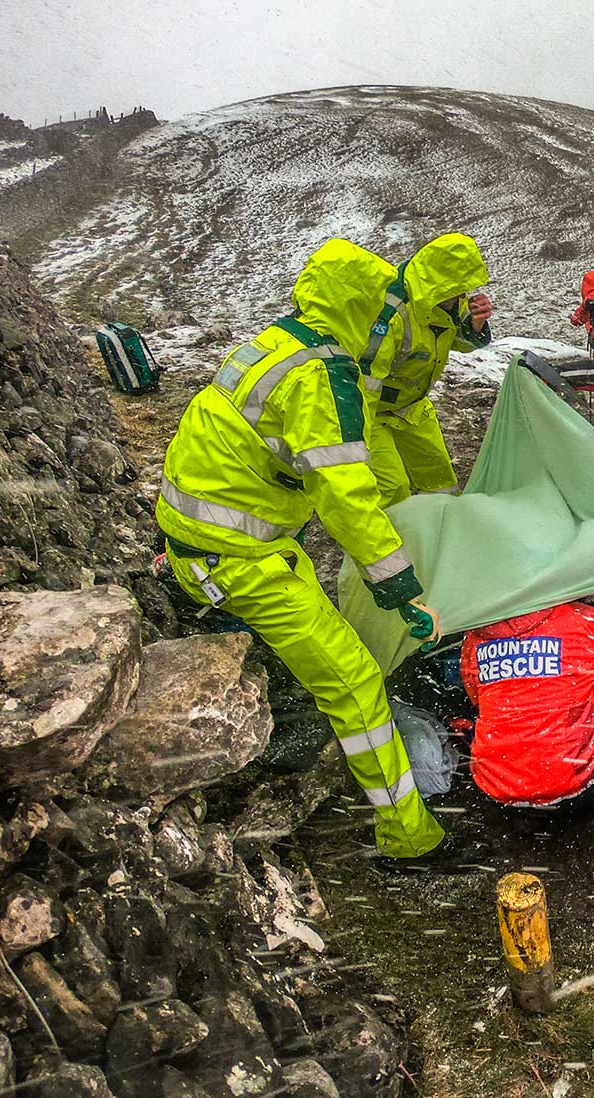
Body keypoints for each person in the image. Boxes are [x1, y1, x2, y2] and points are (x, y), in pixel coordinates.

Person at [156, 242, 447, 860]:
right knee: (356, 683)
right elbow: (347, 499)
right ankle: (409, 837)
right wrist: (401, 591)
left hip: (208, 542)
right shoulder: (324, 377)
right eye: (386, 315)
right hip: (239, 561)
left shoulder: (275, 344)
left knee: (322, 654)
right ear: (366, 311)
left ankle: (284, 719)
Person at [460, 602, 594, 811]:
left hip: (497, 791)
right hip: (576, 790)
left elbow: (475, 696)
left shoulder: (474, 637)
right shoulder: (583, 619)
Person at [351, 233, 494, 506]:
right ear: (442, 282)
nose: (465, 295)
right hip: (371, 413)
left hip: (412, 406)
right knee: (392, 491)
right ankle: (397, 545)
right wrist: (355, 442)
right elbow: (364, 382)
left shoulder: (447, 298)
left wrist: (473, 326)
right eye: (460, 289)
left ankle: (441, 536)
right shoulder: (391, 315)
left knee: (440, 482)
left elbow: (451, 341)